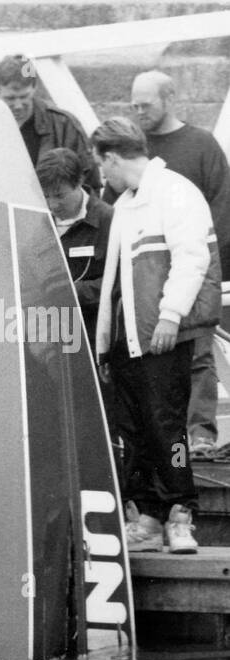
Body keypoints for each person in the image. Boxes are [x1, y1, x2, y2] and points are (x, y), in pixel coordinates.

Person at [93, 117, 221, 555]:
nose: (101, 176)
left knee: (167, 427)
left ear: (111, 157)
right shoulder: (127, 202)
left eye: (101, 165)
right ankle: (147, 515)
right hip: (130, 337)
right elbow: (118, 282)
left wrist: (171, 316)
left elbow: (192, 257)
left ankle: (181, 513)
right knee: (136, 429)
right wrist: (105, 343)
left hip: (159, 334)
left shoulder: (173, 191)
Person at [128, 69, 230, 459]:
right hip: (147, 275)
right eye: (134, 105)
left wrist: (202, 265)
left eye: (146, 105)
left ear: (169, 99)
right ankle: (164, 441)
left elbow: (222, 206)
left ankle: (200, 434)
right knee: (153, 364)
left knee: (200, 356)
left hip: (196, 268)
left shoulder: (201, 145)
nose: (139, 112)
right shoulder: (133, 146)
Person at [0, 54, 98, 194]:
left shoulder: (64, 125)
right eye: (10, 98)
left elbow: (90, 184)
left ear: (34, 87)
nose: (18, 105)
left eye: (24, 96)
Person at [36, 147, 112, 339]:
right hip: (49, 337)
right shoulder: (36, 224)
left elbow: (123, 282)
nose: (53, 205)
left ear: (79, 182)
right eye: (46, 196)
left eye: (60, 195)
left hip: (94, 337)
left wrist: (74, 292)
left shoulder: (109, 220)